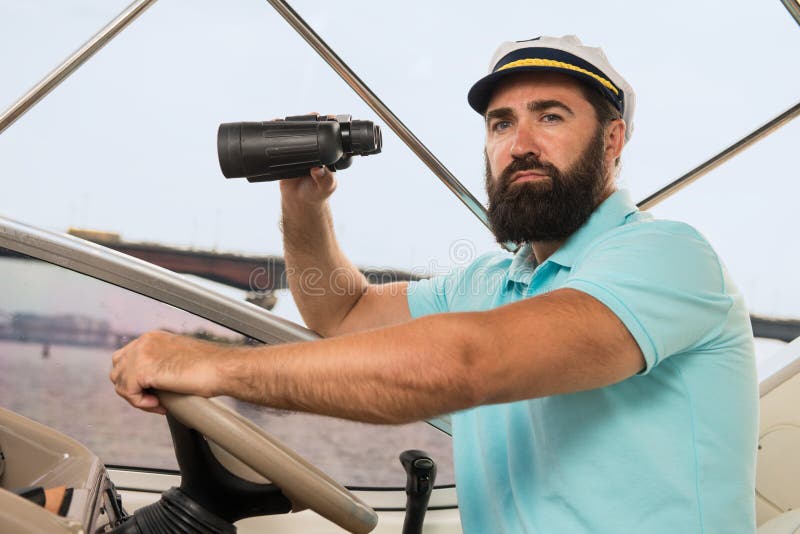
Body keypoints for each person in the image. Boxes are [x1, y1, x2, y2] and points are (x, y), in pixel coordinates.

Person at [110, 35, 758, 532]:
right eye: (501, 123)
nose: (519, 142)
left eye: (551, 117)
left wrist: (216, 367)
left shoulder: (669, 259)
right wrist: (303, 204)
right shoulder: (490, 283)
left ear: (613, 140)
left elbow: (465, 363)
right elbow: (343, 312)